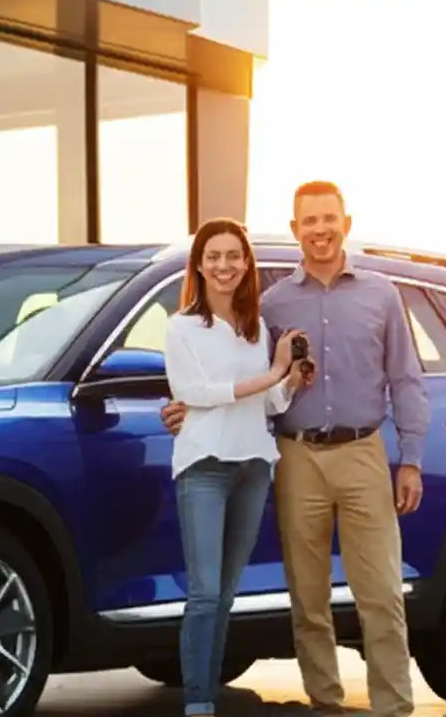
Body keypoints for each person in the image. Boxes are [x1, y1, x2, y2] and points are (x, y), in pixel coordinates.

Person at [161, 182, 429, 717]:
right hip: (295, 457)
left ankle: (393, 708)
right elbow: (253, 380)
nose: (320, 230)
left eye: (329, 219)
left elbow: (406, 378)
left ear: (345, 224)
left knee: (380, 595)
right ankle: (326, 705)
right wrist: (188, 406)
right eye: (309, 221)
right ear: (294, 230)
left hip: (362, 453)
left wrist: (413, 459)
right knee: (308, 601)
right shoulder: (274, 304)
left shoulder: (381, 294)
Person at [163, 217, 310, 717]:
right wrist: (271, 372)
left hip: (253, 466)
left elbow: (268, 405)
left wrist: (288, 381)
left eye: (233, 256)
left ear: (246, 264)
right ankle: (198, 703)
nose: (224, 265)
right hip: (204, 466)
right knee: (204, 593)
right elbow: (193, 395)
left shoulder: (255, 328)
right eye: (214, 257)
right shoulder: (182, 327)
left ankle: (208, 695)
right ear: (199, 266)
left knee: (225, 594)